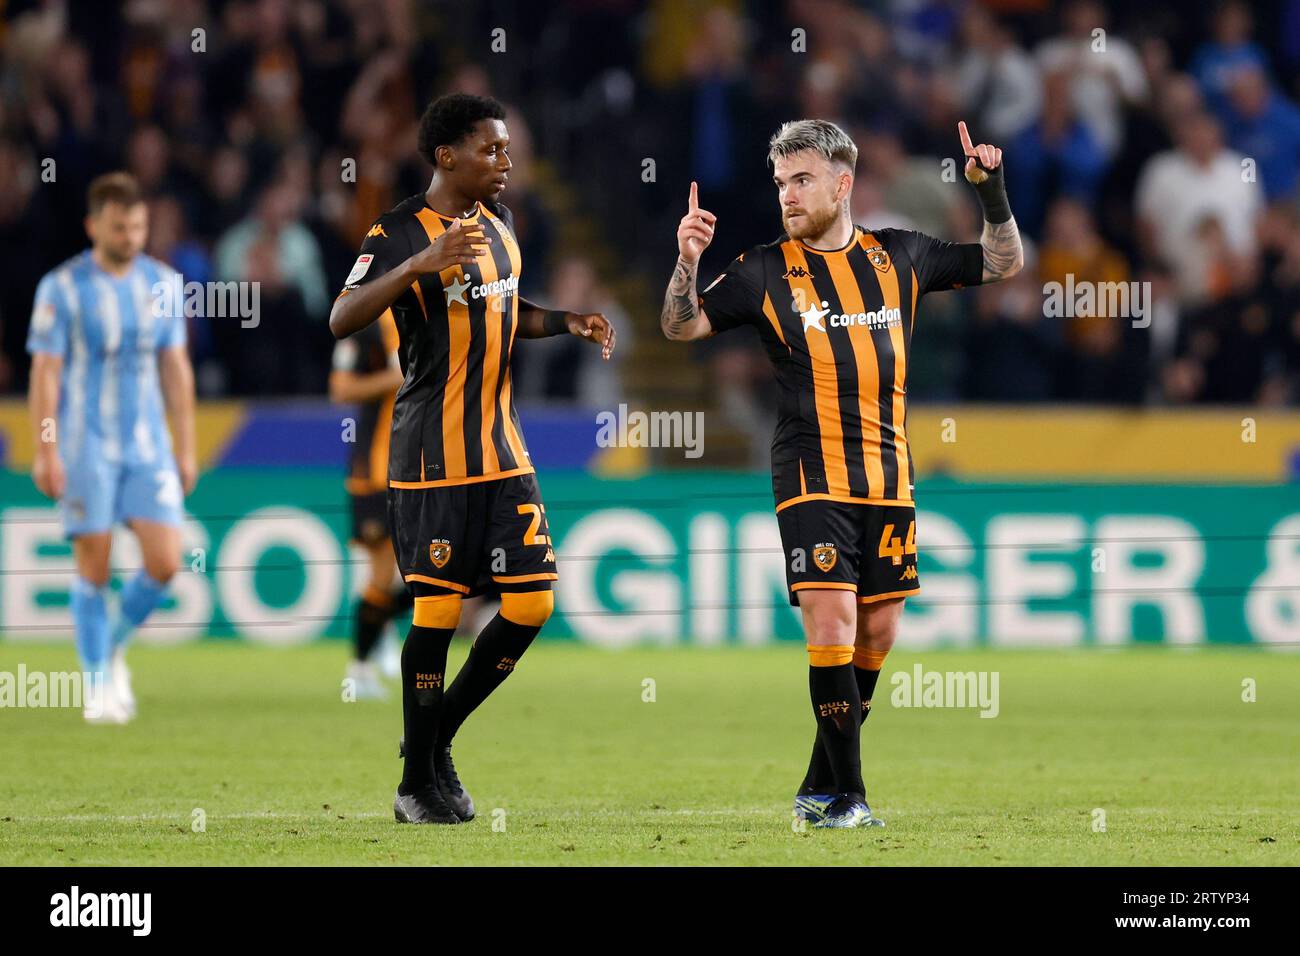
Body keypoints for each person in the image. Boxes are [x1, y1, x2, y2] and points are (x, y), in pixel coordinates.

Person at [660, 119, 1023, 828]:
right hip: (810, 473)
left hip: (890, 475)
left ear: (842, 183)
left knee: (878, 633)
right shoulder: (765, 268)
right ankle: (850, 798)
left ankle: (816, 784)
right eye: (780, 184)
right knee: (832, 619)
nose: (788, 196)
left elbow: (1002, 262)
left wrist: (993, 192)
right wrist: (687, 261)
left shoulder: (902, 256)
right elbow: (682, 326)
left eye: (801, 181)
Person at [329, 93, 615, 824]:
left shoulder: (503, 225)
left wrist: (565, 321)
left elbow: (506, 309)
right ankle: (416, 786)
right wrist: (417, 265)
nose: (506, 163)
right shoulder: (395, 231)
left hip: (503, 449)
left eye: (508, 150)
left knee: (532, 602)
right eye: (492, 150)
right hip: (432, 455)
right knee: (436, 610)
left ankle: (430, 742)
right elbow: (343, 316)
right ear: (446, 155)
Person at [27, 171, 197, 724]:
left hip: (148, 448)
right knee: (94, 569)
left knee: (166, 562)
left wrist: (187, 447)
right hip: (85, 449)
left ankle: (112, 645)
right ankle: (98, 682)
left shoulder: (165, 284)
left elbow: (176, 368)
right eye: (120, 227)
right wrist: (46, 449)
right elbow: (46, 374)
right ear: (93, 225)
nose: (131, 236)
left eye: (139, 226)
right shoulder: (61, 287)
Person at [328, 307, 413, 699]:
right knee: (384, 571)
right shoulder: (365, 326)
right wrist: (393, 379)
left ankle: (378, 637)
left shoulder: (427, 312)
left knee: (432, 570)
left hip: (418, 466)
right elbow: (341, 389)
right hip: (376, 469)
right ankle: (359, 669)